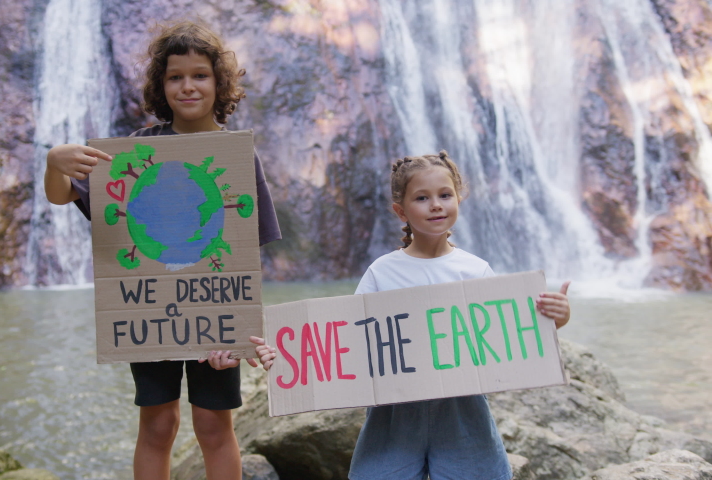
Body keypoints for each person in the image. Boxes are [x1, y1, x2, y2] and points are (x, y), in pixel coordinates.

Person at [44, 21, 281, 480]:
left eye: (200, 75)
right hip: (147, 313)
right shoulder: (136, 151)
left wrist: (235, 325)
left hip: (215, 313)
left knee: (214, 427)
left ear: (220, 82)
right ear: (160, 84)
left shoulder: (236, 155)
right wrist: (54, 161)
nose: (187, 86)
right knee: (157, 424)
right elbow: (61, 194)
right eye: (175, 77)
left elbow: (244, 252)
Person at [252, 151, 570, 480]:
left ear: (458, 199)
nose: (436, 204)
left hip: (462, 411)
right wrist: (284, 357)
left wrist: (553, 318)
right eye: (422, 198)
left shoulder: (476, 271)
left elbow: (508, 333)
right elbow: (345, 341)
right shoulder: (381, 272)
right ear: (400, 211)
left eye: (445, 195)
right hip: (394, 415)